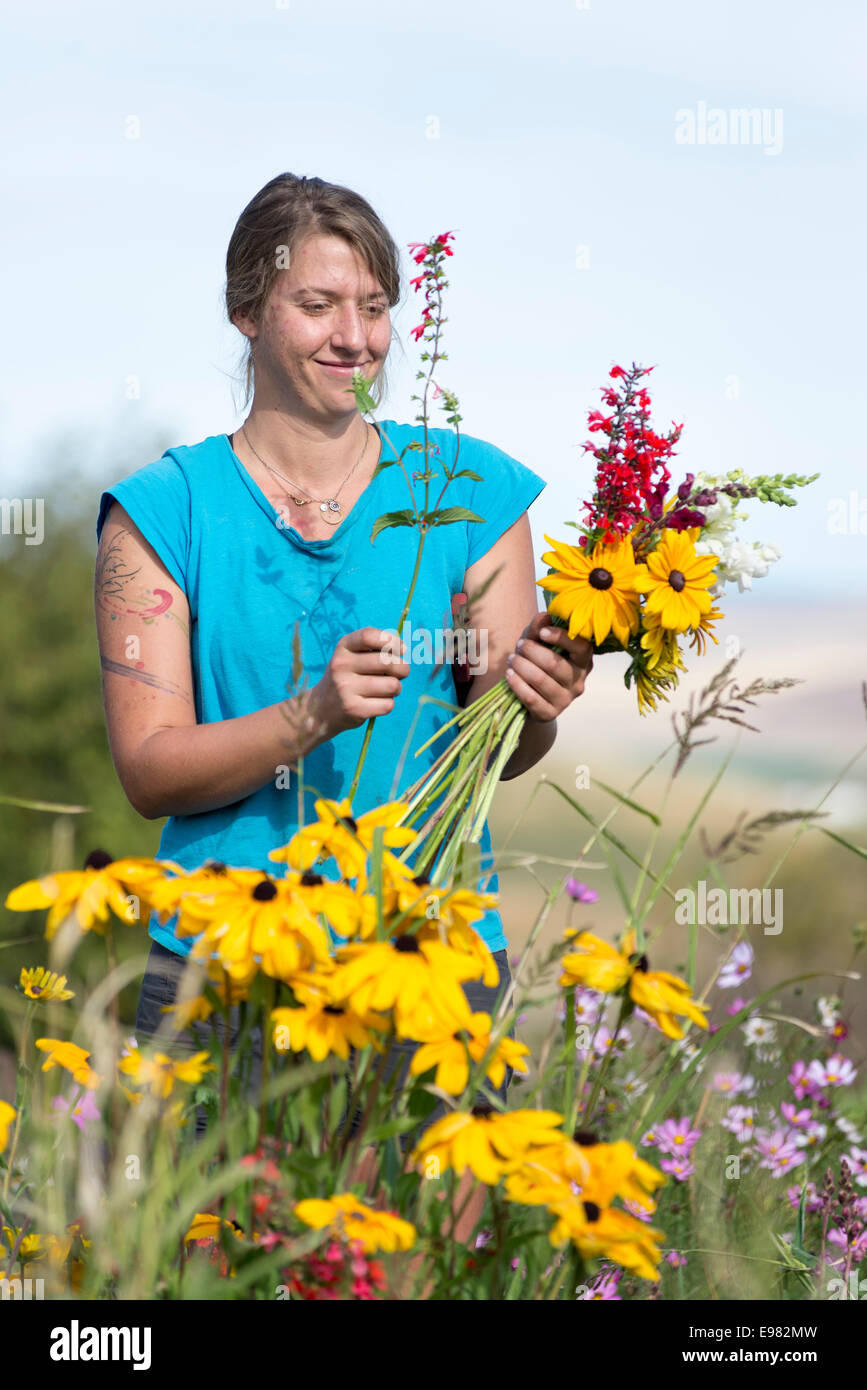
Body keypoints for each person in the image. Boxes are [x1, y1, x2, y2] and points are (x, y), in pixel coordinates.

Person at [93, 171, 593, 1146]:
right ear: (246, 309)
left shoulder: (475, 490)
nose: (354, 337)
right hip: (220, 961)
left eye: (375, 307)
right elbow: (149, 769)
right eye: (317, 304)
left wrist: (533, 704)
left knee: (414, 1273)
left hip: (428, 956)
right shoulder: (165, 509)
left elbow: (503, 743)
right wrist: (310, 716)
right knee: (208, 1266)